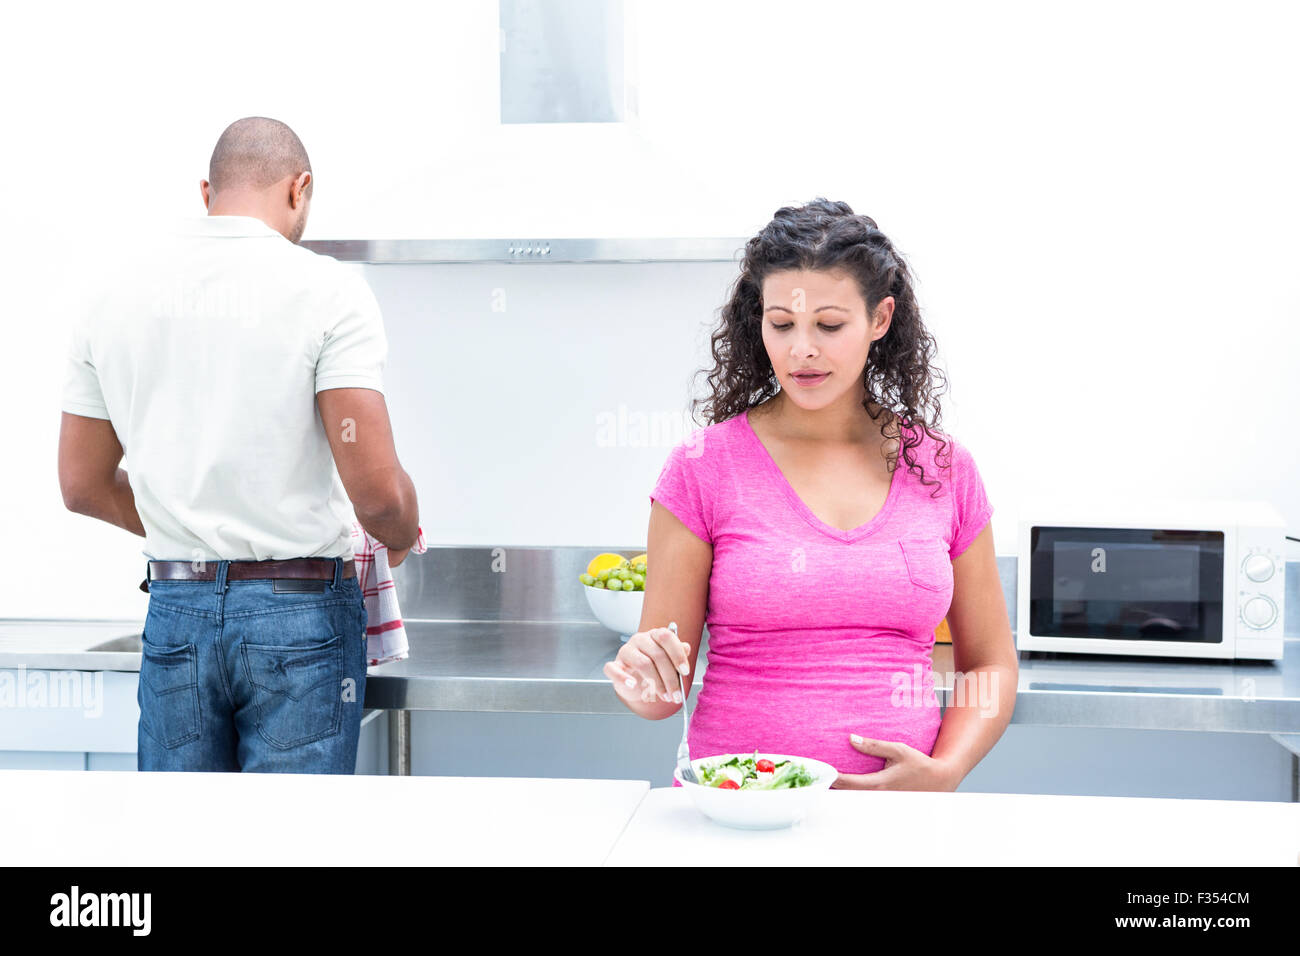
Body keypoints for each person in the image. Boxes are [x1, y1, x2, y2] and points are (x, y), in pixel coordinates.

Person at [603, 199, 1017, 790]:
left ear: (880, 319)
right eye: (781, 324)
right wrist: (640, 673)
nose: (802, 349)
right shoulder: (704, 466)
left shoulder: (942, 468)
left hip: (896, 821)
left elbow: (989, 665)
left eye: (829, 325)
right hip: (738, 813)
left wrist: (944, 772)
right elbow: (661, 694)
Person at [57, 116, 421, 773]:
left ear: (207, 192)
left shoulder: (112, 294)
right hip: (300, 616)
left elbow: (82, 485)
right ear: (299, 188)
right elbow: (376, 493)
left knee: (180, 829)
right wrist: (400, 530)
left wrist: (193, 524)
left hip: (177, 613)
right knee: (288, 830)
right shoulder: (329, 292)